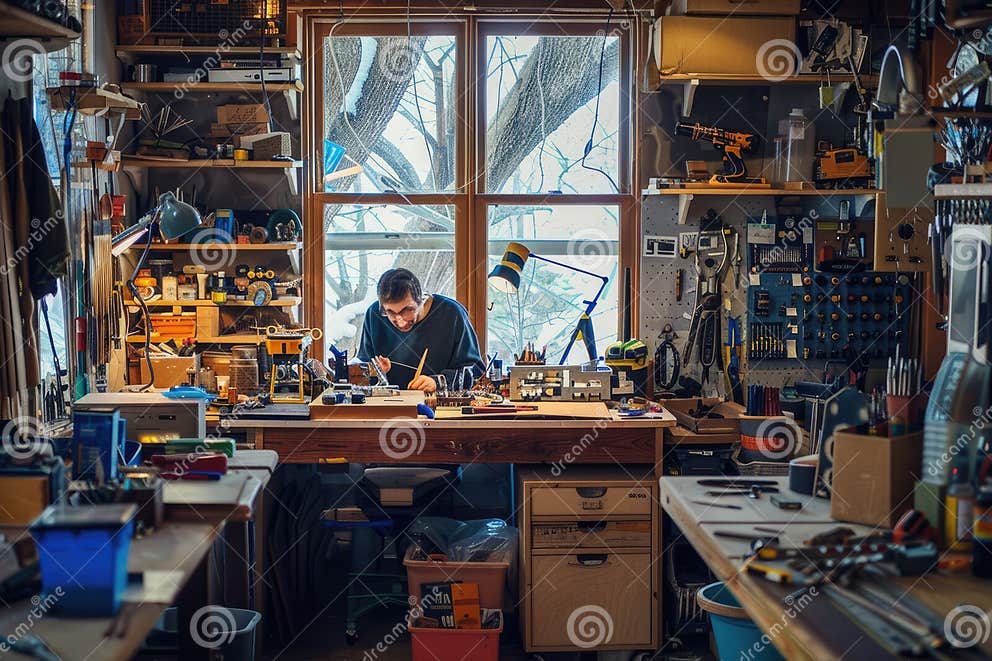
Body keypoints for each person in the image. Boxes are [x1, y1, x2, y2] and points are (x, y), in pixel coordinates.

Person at [358, 268, 485, 392]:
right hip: (389, 406)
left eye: (407, 310)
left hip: (441, 408)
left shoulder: (452, 313)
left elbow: (476, 372)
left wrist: (439, 382)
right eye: (390, 312)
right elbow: (361, 372)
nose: (400, 321)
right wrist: (376, 372)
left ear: (421, 299)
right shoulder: (374, 315)